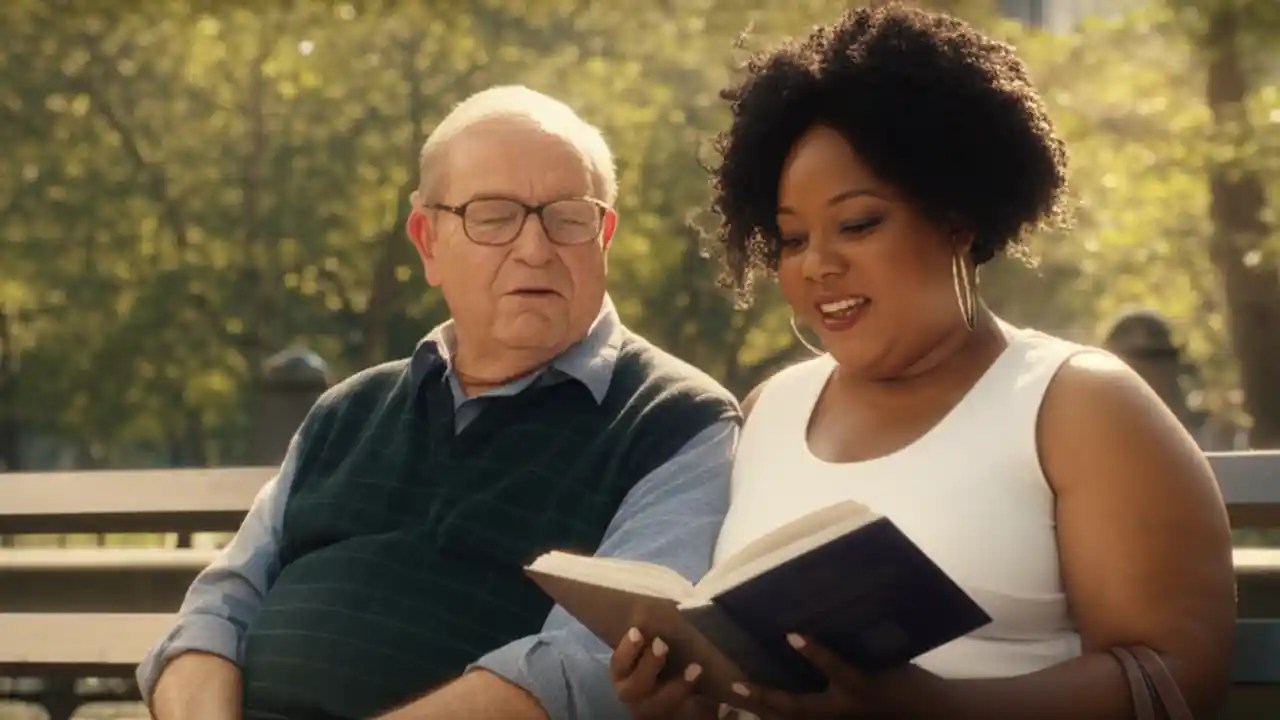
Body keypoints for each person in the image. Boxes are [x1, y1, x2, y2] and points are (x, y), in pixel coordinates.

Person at [611, 6, 1236, 719]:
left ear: (956, 219)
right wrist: (677, 702)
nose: (819, 263)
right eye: (790, 239)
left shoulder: (1077, 405)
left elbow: (1180, 678)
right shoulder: (768, 411)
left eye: (858, 224)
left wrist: (934, 711)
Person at [137, 85, 742, 720]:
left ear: (604, 236)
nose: (535, 249)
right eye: (493, 216)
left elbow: (586, 668)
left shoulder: (676, 420)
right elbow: (218, 609)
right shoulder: (348, 411)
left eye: (568, 216)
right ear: (427, 241)